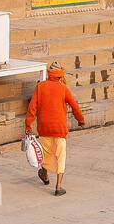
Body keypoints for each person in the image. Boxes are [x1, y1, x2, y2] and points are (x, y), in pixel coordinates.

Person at [24, 63, 85, 197]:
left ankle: (45, 176)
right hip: (59, 129)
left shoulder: (40, 87)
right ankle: (58, 186)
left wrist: (28, 124)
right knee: (60, 156)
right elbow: (75, 106)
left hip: (44, 128)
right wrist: (81, 120)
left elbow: (32, 108)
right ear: (60, 76)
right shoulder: (63, 88)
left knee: (47, 153)